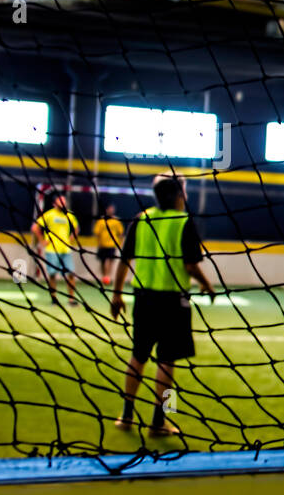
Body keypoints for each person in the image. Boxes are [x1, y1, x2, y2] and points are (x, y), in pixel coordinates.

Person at [110, 174, 214, 438]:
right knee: (166, 362)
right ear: (178, 195)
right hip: (172, 302)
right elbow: (190, 265)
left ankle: (126, 415)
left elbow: (124, 260)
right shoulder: (183, 222)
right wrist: (206, 284)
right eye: (185, 192)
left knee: (138, 356)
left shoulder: (142, 218)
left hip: (143, 298)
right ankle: (159, 421)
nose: (186, 197)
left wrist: (117, 294)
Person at [32, 191, 79, 307]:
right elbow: (35, 227)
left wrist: (71, 239)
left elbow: (76, 228)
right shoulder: (49, 215)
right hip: (52, 249)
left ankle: (71, 300)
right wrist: (42, 241)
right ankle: (54, 299)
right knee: (52, 275)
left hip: (66, 250)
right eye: (60, 201)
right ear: (54, 203)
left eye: (64, 201)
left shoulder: (69, 215)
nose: (63, 203)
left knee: (71, 274)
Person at [92, 203, 125, 285]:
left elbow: (120, 233)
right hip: (103, 245)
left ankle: (108, 277)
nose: (111, 211)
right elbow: (97, 233)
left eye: (112, 209)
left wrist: (120, 243)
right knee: (103, 262)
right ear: (106, 210)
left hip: (112, 245)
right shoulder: (101, 221)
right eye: (109, 209)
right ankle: (104, 277)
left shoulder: (116, 221)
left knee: (110, 261)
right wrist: (98, 243)